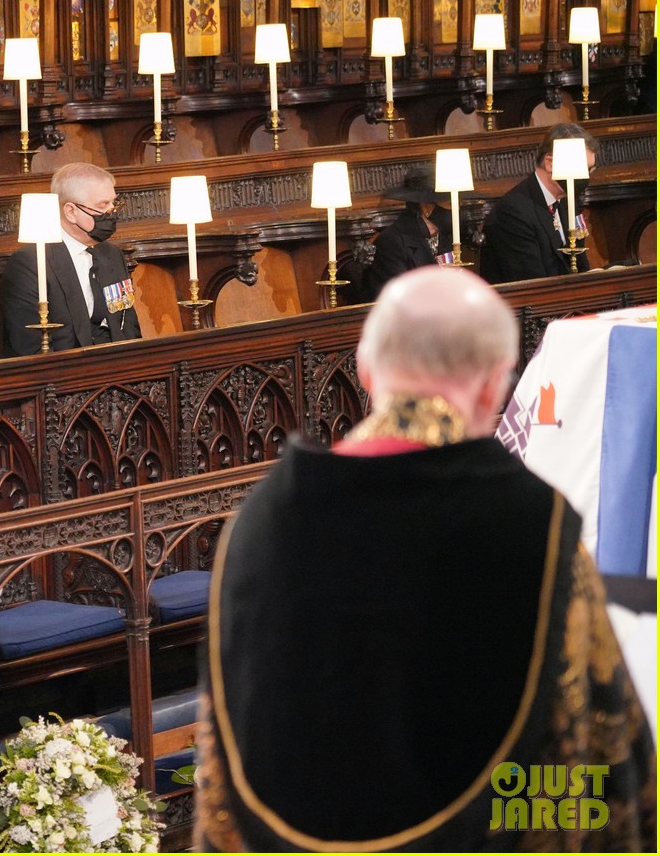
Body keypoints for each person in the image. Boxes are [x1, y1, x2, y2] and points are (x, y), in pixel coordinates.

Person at [194, 267, 655, 851]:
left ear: (365, 370)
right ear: (494, 387)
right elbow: (596, 742)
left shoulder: (258, 522)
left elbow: (223, 757)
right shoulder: (532, 521)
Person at [0, 162, 142, 356]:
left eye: (113, 203)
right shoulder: (30, 263)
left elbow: (128, 323)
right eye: (103, 205)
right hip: (64, 372)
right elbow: (28, 342)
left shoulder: (112, 254)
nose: (112, 212)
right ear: (71, 212)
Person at [481, 123, 598, 284]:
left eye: (589, 169)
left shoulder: (566, 201)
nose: (585, 177)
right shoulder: (513, 212)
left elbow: (580, 266)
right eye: (580, 168)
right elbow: (530, 283)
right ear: (550, 163)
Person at [363, 164, 454, 300]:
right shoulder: (392, 242)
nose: (456, 209)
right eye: (450, 203)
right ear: (426, 206)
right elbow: (399, 299)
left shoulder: (446, 236)